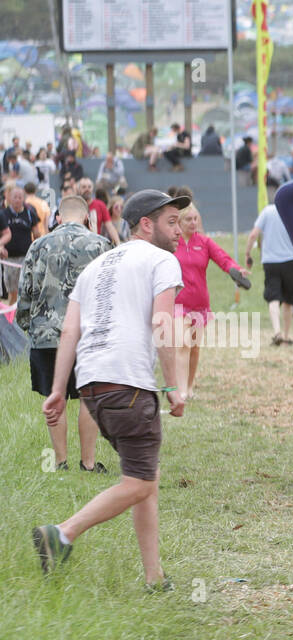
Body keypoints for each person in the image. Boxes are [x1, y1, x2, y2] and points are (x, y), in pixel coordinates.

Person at [31, 189, 189, 588]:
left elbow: (70, 330)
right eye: (171, 222)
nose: (179, 231)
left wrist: (56, 390)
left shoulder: (97, 266)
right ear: (146, 224)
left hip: (91, 386)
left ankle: (154, 577)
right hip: (129, 385)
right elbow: (162, 325)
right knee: (138, 483)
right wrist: (172, 386)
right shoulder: (161, 260)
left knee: (144, 477)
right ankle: (62, 533)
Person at [16, 194, 113, 473]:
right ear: (86, 218)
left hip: (46, 335)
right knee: (88, 396)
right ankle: (88, 462)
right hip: (89, 335)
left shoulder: (37, 245)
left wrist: (30, 326)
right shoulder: (101, 245)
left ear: (57, 217)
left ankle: (60, 463)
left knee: (52, 395)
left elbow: (25, 293)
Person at [173, 203, 250, 398]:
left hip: (200, 304)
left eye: (195, 219)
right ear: (179, 222)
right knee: (182, 344)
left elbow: (223, 259)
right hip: (179, 304)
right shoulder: (172, 243)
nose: (193, 223)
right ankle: (180, 390)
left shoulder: (205, 243)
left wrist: (236, 271)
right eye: (188, 219)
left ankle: (189, 387)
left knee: (194, 347)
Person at [246, 201, 293, 345]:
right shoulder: (291, 211)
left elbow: (253, 235)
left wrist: (247, 253)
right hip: (291, 259)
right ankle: (287, 336)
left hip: (271, 261)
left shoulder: (267, 211)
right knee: (289, 300)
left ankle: (277, 332)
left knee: (273, 297)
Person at [0, 183, 42, 299]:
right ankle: (12, 315)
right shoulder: (4, 214)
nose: (17, 200)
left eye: (20, 197)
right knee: (12, 291)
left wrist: (37, 249)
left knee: (25, 289)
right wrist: (1, 246)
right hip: (9, 259)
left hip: (25, 257)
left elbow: (37, 234)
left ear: (23, 198)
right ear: (10, 198)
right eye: (15, 197)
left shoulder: (29, 213)